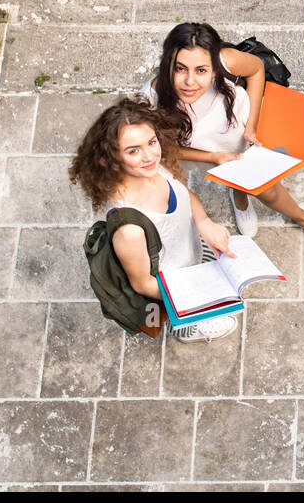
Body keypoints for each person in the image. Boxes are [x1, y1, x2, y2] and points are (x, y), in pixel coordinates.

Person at [143, 22, 304, 249]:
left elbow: (256, 69)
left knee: (268, 189)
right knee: (237, 178)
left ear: (213, 66)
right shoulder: (149, 101)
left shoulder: (226, 60)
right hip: (208, 153)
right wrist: (213, 157)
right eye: (180, 68)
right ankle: (240, 197)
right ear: (167, 64)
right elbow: (159, 148)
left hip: (243, 132)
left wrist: (251, 127)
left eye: (201, 70)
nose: (190, 82)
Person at [69, 98, 239, 343]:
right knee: (183, 320)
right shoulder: (129, 230)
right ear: (113, 156)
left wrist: (205, 224)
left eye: (151, 142)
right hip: (173, 283)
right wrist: (191, 294)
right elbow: (142, 285)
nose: (149, 156)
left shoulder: (154, 168)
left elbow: (183, 195)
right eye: (133, 150)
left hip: (188, 252)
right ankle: (187, 331)